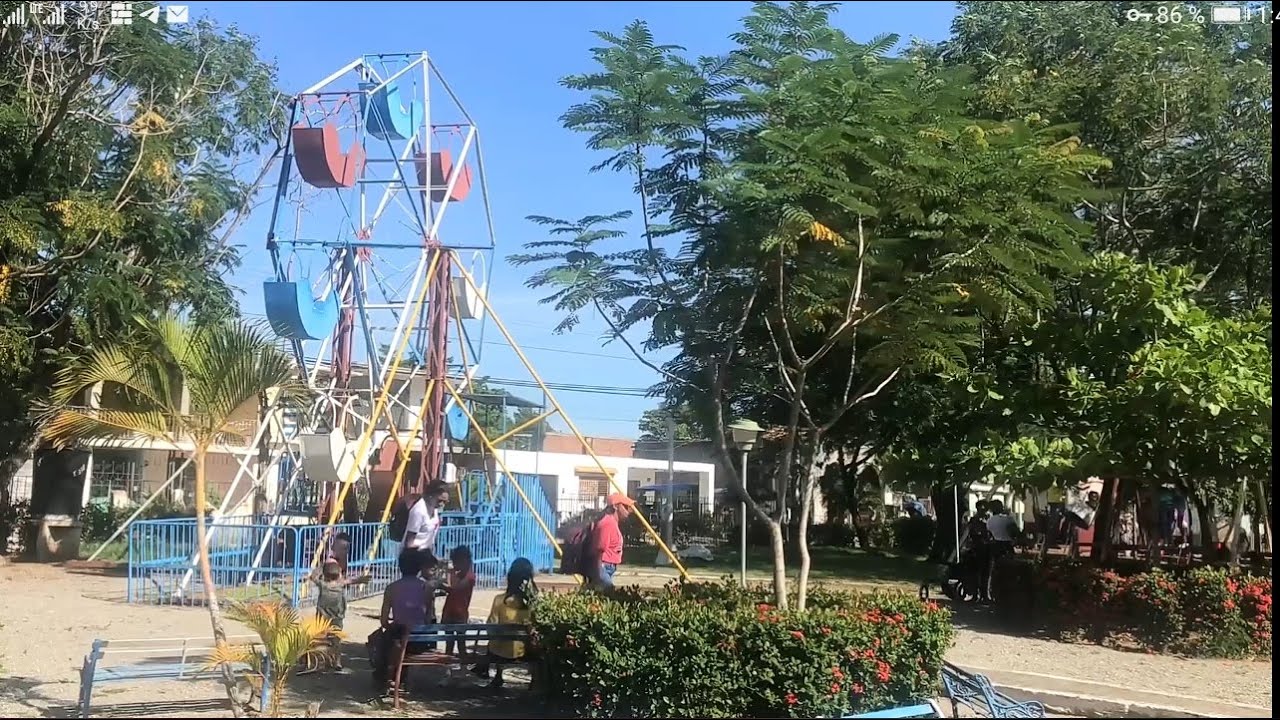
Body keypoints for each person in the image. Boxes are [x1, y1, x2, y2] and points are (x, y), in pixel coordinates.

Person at [370, 549, 437, 692]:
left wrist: (391, 625)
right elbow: (428, 617)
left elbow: (383, 621)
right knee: (401, 638)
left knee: (389, 639)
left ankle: (386, 676)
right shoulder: (426, 588)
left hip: (398, 639)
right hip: (420, 641)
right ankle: (400, 677)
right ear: (419, 567)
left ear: (400, 567)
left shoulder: (391, 588)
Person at [471, 557, 538, 688]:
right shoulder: (534, 603)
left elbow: (491, 624)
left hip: (500, 652)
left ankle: (497, 675)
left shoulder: (499, 600)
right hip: (525, 652)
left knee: (497, 638)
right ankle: (534, 679)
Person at [308, 558, 371, 673]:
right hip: (337, 618)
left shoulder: (323, 585)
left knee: (321, 639)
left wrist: (321, 566)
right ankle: (337, 662)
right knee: (336, 640)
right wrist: (362, 580)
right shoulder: (341, 584)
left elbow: (312, 577)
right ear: (339, 575)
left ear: (324, 574)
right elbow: (353, 581)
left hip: (322, 618)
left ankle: (322, 660)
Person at [586, 493, 635, 588]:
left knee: (599, 594)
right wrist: (599, 569)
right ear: (616, 507)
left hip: (607, 566)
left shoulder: (611, 522)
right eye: (626, 506)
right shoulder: (608, 523)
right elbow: (600, 547)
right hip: (603, 565)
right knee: (608, 593)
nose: (629, 510)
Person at [403, 482, 451, 564]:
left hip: (426, 555)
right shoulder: (419, 511)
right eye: (440, 501)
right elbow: (409, 541)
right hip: (413, 558)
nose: (442, 505)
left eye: (445, 502)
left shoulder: (434, 508)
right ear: (430, 495)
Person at [441, 545, 477, 656]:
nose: (455, 565)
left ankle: (462, 665)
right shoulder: (460, 574)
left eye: (457, 562)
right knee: (449, 643)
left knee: (461, 643)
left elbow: (456, 589)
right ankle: (448, 666)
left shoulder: (470, 577)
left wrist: (442, 585)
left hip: (460, 613)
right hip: (449, 611)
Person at [983, 500, 1020, 602]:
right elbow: (1016, 533)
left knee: (993, 569)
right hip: (1007, 546)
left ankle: (992, 591)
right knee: (1011, 569)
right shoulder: (1009, 519)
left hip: (996, 546)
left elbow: (988, 534)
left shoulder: (990, 521)